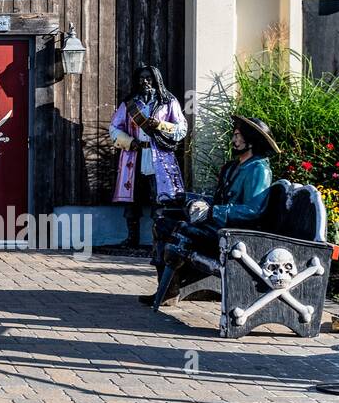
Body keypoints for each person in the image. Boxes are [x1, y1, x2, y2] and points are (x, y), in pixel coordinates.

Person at [140, 114, 279, 305]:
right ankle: (167, 289)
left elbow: (253, 210)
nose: (234, 140)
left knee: (179, 230)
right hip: (218, 226)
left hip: (234, 234)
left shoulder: (258, 169)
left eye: (238, 136)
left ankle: (169, 290)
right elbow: (219, 198)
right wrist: (188, 198)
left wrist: (213, 212)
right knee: (163, 222)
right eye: (234, 135)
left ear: (252, 141)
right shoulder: (233, 167)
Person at [109, 64, 187, 248]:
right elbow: (114, 126)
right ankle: (131, 239)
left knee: (158, 198)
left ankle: (158, 239)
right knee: (132, 199)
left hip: (158, 157)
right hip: (134, 156)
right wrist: (128, 141)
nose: (145, 81)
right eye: (142, 78)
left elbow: (182, 128)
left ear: (156, 79)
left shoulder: (169, 102)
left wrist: (160, 125)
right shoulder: (129, 103)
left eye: (149, 78)